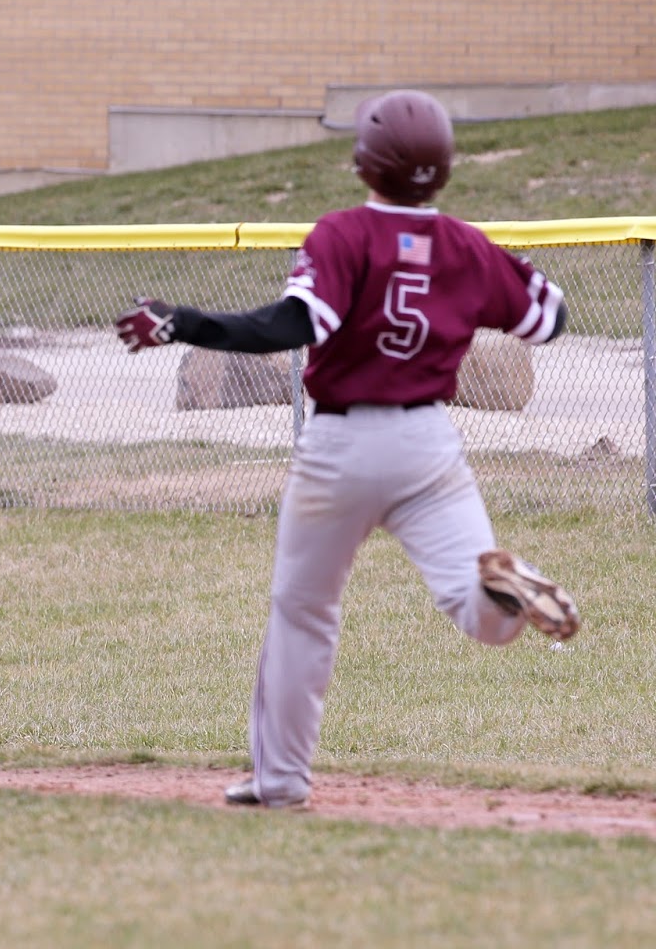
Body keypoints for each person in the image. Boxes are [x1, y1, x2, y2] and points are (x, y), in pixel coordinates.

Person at [113, 89, 580, 810]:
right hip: (427, 444)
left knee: (304, 613)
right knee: (470, 605)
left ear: (365, 162)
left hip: (339, 445)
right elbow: (549, 318)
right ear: (445, 168)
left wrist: (184, 322)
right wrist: (475, 276)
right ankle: (502, 595)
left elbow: (289, 325)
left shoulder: (343, 234)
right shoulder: (465, 246)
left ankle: (280, 780)